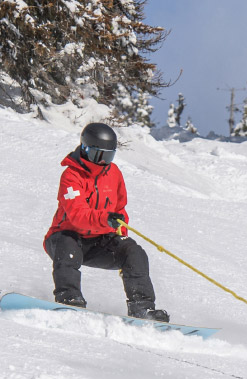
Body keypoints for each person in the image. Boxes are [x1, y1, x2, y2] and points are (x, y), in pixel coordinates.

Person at [43, 122, 169, 322]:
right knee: (68, 246)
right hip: (64, 239)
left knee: (134, 252)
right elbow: (77, 215)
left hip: (98, 241)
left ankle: (142, 309)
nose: (103, 162)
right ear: (85, 149)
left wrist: (119, 226)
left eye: (108, 157)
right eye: (98, 156)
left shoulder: (114, 173)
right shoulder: (71, 176)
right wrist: (106, 219)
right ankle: (69, 298)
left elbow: (119, 208)